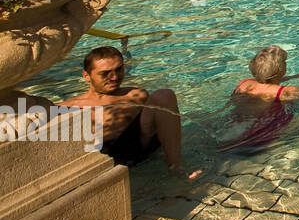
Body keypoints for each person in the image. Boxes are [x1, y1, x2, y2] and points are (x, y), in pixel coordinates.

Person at [59, 46, 199, 178]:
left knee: (164, 95)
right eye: (105, 73)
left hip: (139, 148)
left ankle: (175, 168)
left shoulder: (135, 95)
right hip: (105, 157)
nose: (114, 77)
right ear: (86, 76)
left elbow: (164, 121)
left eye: (119, 70)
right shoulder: (68, 108)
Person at [217, 46, 299, 153]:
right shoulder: (284, 92)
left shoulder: (245, 84)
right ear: (281, 70)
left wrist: (295, 76)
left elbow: (268, 81)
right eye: (284, 62)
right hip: (255, 139)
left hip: (231, 130)